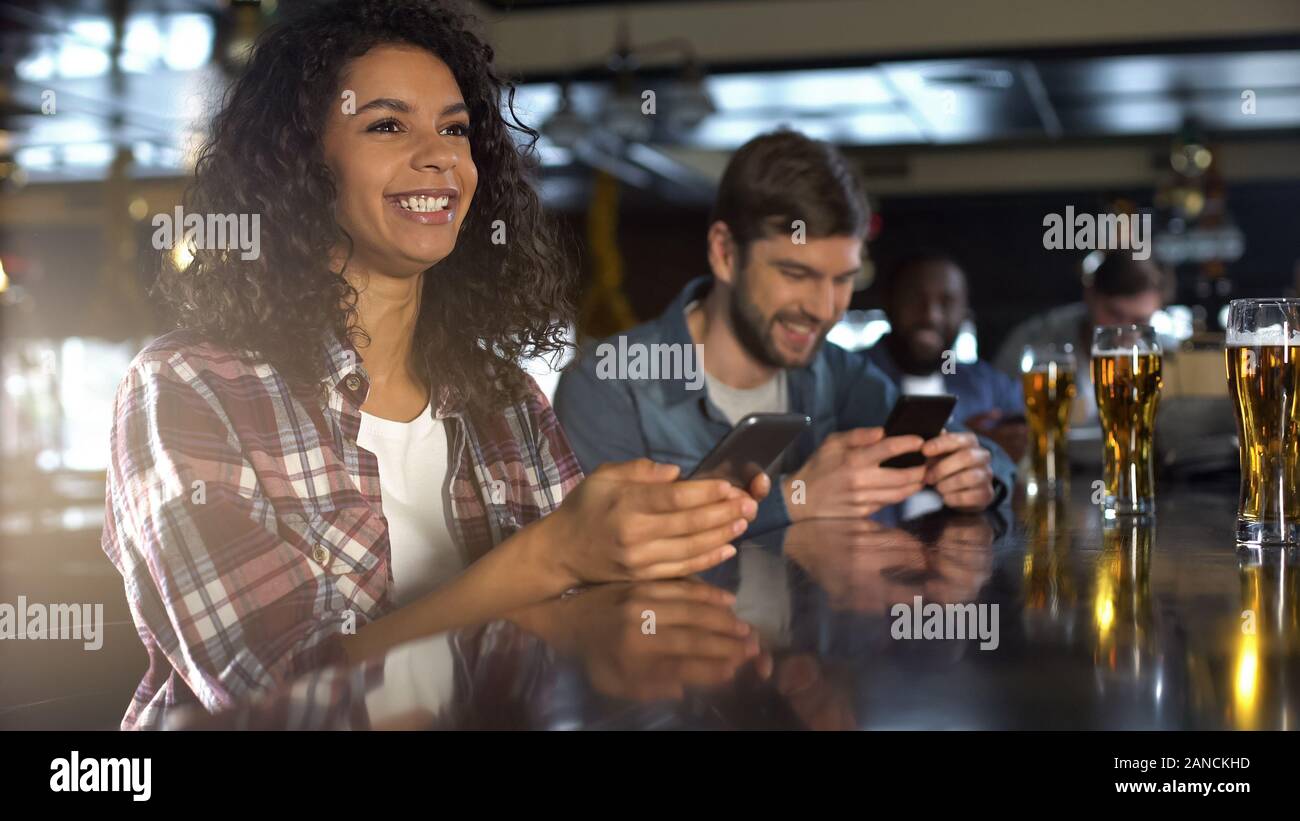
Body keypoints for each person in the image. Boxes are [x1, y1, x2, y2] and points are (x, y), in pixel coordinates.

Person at [101, 0, 767, 731]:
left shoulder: (506, 397)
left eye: (455, 128)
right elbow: (286, 694)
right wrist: (552, 558)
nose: (440, 155)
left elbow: (575, 632)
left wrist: (651, 548)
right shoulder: (188, 387)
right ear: (297, 164)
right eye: (387, 125)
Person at [554, 130, 1013, 533]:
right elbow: (599, 557)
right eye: (796, 274)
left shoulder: (835, 372)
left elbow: (993, 458)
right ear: (725, 253)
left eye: (842, 279)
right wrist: (795, 498)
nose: (823, 309)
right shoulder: (606, 385)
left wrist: (977, 475)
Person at [866, 250, 1027, 463]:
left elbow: (1036, 430)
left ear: (964, 313)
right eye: (915, 298)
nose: (931, 315)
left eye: (947, 302)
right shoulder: (852, 377)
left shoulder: (986, 384)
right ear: (889, 303)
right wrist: (971, 442)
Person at [993, 251, 1173, 424]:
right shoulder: (1034, 341)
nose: (1123, 329)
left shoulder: (1168, 352)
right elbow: (997, 413)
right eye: (1114, 314)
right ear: (1090, 295)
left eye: (1139, 320)